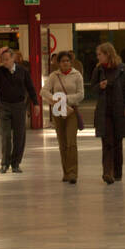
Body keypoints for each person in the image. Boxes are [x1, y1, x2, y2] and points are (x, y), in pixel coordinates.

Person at [0, 46, 38, 173]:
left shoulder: (23, 71)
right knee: (5, 136)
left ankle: (15, 163)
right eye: (2, 59)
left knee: (19, 136)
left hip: (19, 106)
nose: (4, 62)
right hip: (4, 106)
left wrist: (36, 103)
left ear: (13, 59)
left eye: (6, 59)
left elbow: (30, 87)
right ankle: (5, 163)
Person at [92, 43, 125, 184]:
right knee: (107, 141)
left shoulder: (122, 69)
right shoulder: (98, 70)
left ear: (107, 54)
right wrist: (99, 86)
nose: (98, 57)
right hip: (104, 111)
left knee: (117, 142)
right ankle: (107, 172)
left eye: (100, 54)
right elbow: (92, 89)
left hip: (119, 110)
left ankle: (117, 172)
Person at [44, 50, 84, 183]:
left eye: (67, 61)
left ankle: (73, 173)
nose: (65, 63)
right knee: (62, 143)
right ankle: (66, 172)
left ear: (71, 62)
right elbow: (43, 91)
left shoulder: (77, 75)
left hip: (71, 111)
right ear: (58, 63)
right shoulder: (54, 76)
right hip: (58, 112)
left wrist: (65, 99)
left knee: (71, 142)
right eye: (62, 61)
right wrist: (54, 99)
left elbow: (81, 94)